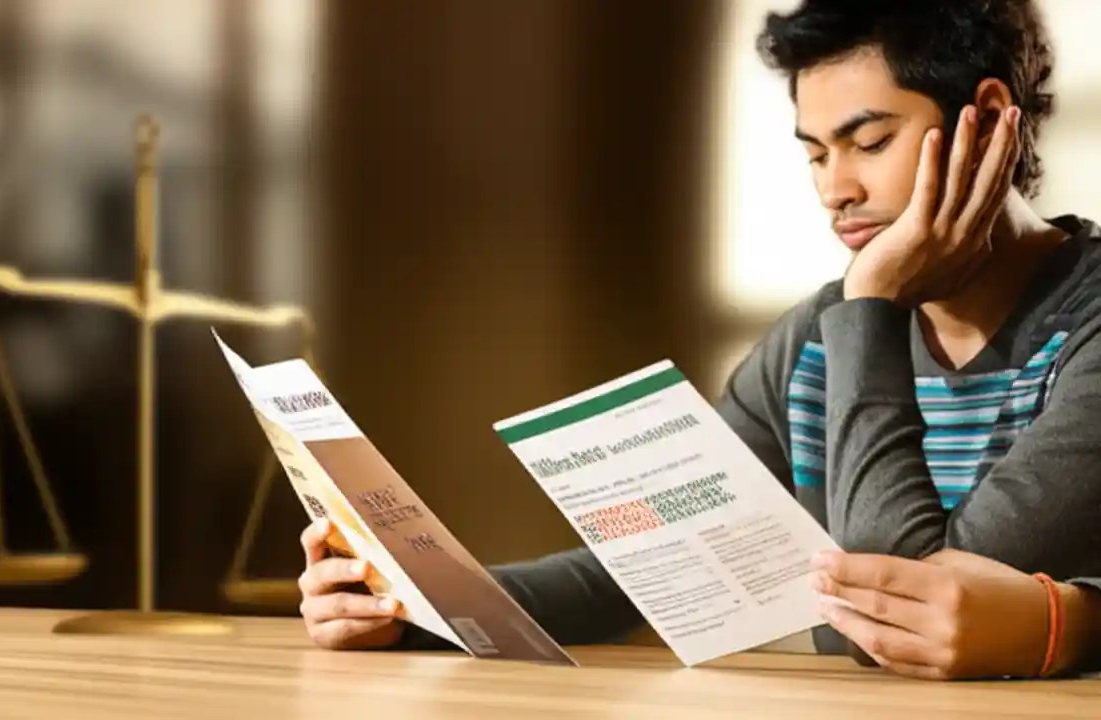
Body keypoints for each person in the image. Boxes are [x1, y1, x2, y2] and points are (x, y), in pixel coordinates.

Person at [295, 0, 1101, 680]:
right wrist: (416, 605)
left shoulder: (1019, 321)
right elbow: (656, 561)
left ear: (990, 122)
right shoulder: (823, 338)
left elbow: (907, 609)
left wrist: (873, 310)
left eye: (870, 141)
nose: (836, 189)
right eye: (816, 153)